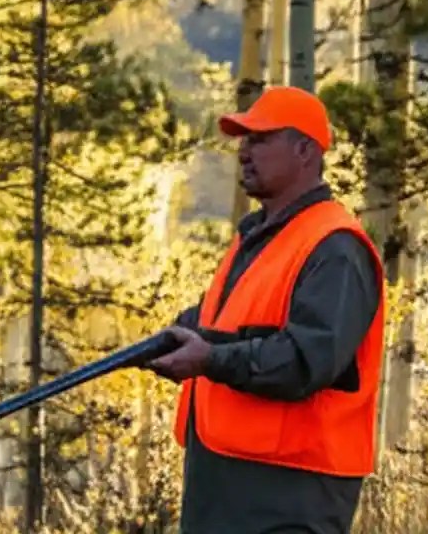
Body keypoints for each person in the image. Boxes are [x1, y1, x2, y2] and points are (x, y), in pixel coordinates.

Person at [145, 85, 387, 534]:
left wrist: (209, 359)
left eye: (260, 139)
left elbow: (304, 361)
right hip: (227, 483)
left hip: (289, 496)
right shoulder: (258, 237)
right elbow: (229, 327)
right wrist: (173, 339)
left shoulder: (335, 248)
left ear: (304, 151)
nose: (244, 152)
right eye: (243, 140)